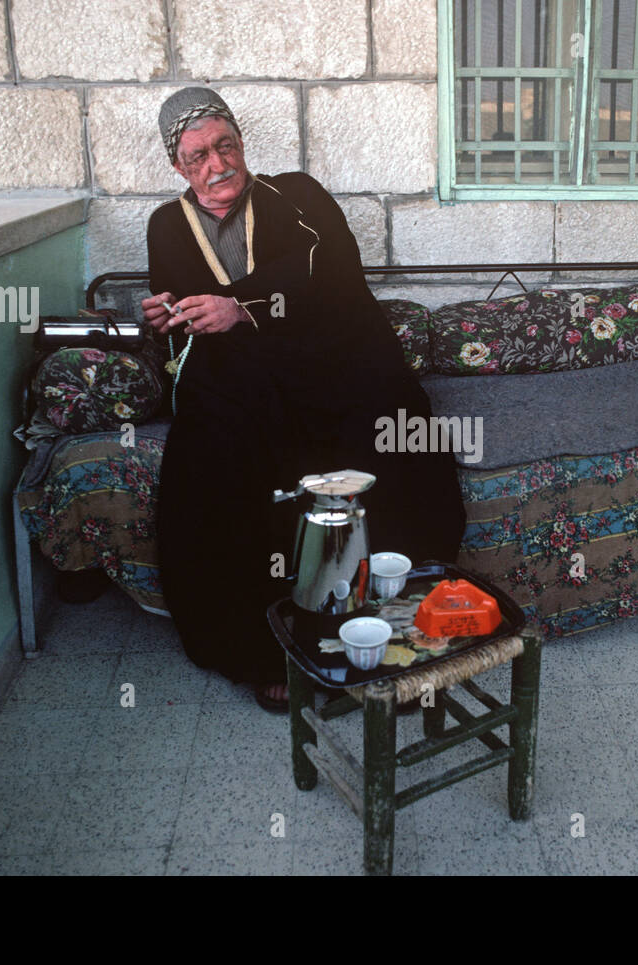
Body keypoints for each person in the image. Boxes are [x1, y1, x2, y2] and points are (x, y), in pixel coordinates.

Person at [141, 87, 465, 711]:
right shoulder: (166, 225)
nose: (218, 164)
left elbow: (335, 271)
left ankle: (386, 639)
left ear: (242, 144)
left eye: (225, 145)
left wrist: (242, 306)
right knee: (219, 457)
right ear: (178, 166)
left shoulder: (297, 193)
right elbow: (185, 318)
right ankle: (265, 652)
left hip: (328, 358)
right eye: (199, 155)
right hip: (239, 379)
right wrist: (168, 316)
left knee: (391, 430)